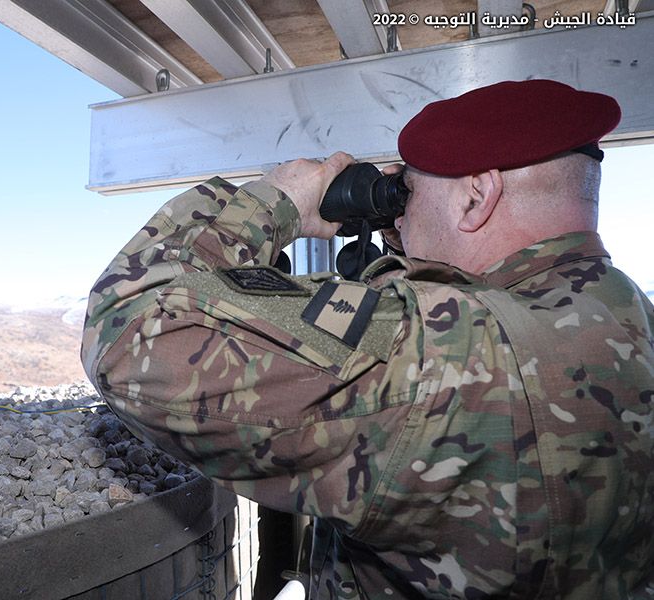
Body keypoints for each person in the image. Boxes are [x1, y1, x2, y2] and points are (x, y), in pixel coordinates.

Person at [80, 79, 654, 598]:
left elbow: (129, 329)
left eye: (409, 194)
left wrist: (272, 201)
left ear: (478, 196)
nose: (398, 218)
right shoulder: (622, 309)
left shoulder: (445, 344)